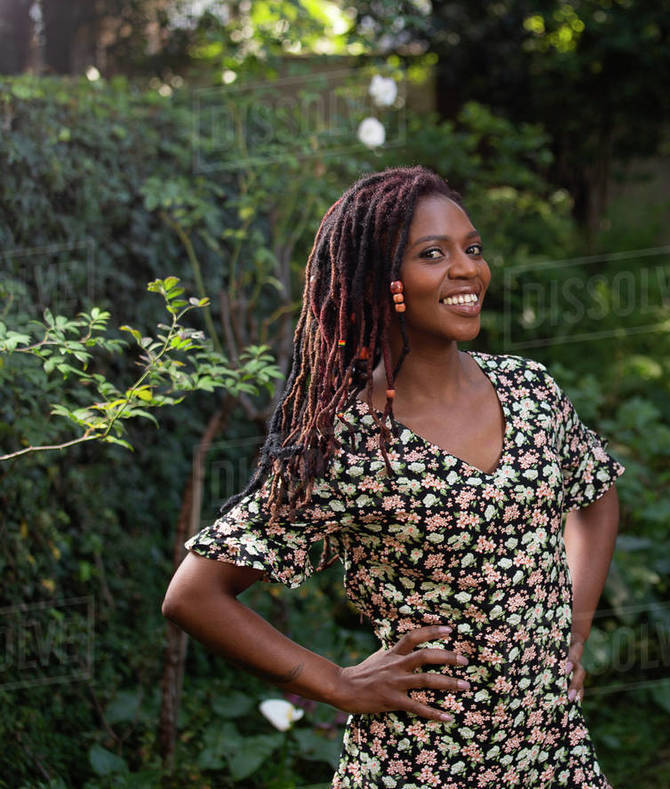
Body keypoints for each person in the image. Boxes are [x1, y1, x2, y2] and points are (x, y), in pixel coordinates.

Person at [161, 165, 625, 787]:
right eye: (433, 254)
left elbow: (595, 497)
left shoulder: (530, 390)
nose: (467, 270)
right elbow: (195, 596)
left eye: (473, 248)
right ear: (385, 283)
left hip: (554, 756)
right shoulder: (348, 441)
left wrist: (573, 627)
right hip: (421, 765)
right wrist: (337, 683)